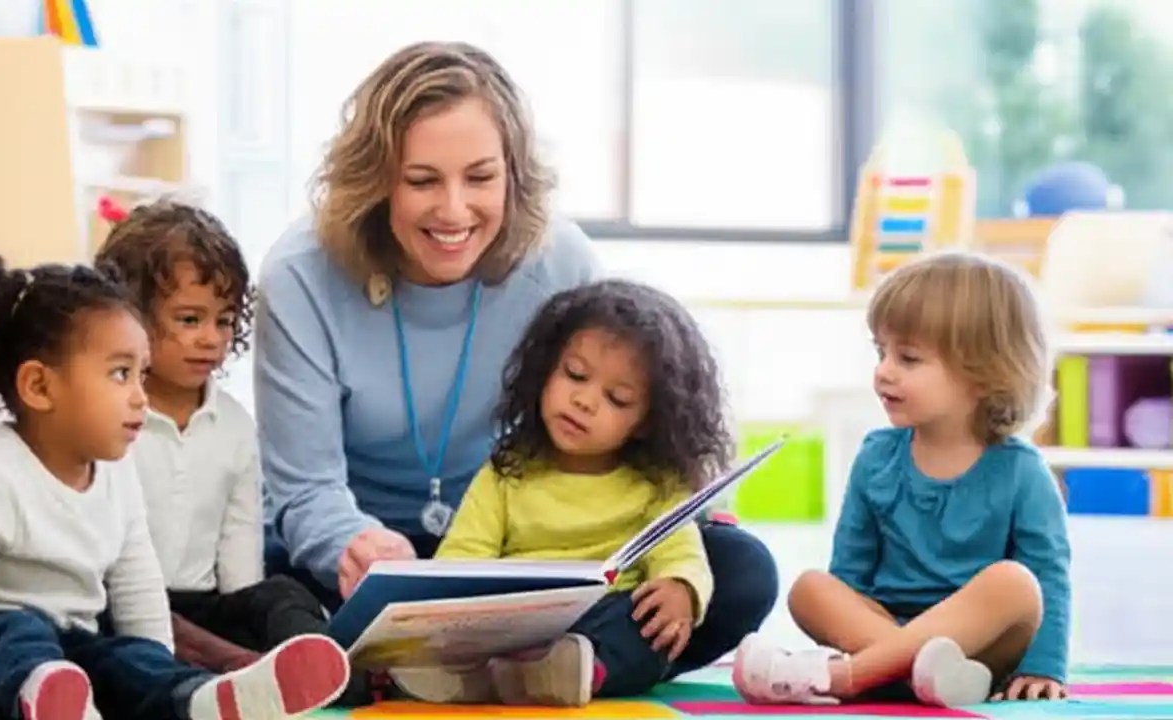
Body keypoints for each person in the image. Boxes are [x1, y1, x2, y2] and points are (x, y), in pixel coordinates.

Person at [255, 39, 778, 689]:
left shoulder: (560, 258)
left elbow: (631, 402)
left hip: (525, 553)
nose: (453, 210)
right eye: (422, 180)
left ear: (514, 172)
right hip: (363, 561)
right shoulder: (298, 275)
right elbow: (304, 490)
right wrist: (353, 546)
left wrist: (687, 515)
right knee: (257, 587)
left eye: (480, 177)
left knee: (737, 570)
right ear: (375, 179)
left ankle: (547, 665)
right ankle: (485, 661)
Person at [0, 250, 346, 720]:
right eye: (120, 374)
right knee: (17, 631)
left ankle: (197, 700)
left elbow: (139, 585)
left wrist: (154, 669)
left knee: (119, 656)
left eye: (141, 373)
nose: (139, 395)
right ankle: (45, 693)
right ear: (39, 387)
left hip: (76, 652)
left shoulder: (114, 472)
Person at [733, 252, 1070, 707]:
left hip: (980, 650)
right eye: (881, 351)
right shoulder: (876, 458)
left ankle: (851, 678)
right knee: (810, 588)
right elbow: (849, 575)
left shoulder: (1021, 470)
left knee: (1015, 583)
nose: (883, 371)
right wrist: (847, 629)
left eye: (908, 358)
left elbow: (1048, 573)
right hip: (885, 626)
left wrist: (1042, 667)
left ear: (984, 375)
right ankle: (911, 673)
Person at [390, 279, 732, 706]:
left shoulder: (657, 484)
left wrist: (680, 588)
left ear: (646, 422)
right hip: (513, 621)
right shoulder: (509, 470)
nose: (584, 401)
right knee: (450, 634)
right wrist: (451, 619)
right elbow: (465, 553)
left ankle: (568, 674)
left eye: (617, 398)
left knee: (645, 628)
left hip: (604, 620)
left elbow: (679, 551)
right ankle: (496, 674)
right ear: (547, 369)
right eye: (575, 375)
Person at [94, 200, 349, 684]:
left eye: (225, 320)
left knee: (282, 594)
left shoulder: (233, 425)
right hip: (121, 602)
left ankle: (333, 671)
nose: (212, 338)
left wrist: (252, 612)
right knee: (102, 620)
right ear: (130, 316)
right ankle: (234, 670)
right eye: (189, 320)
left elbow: (240, 545)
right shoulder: (105, 419)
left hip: (205, 603)